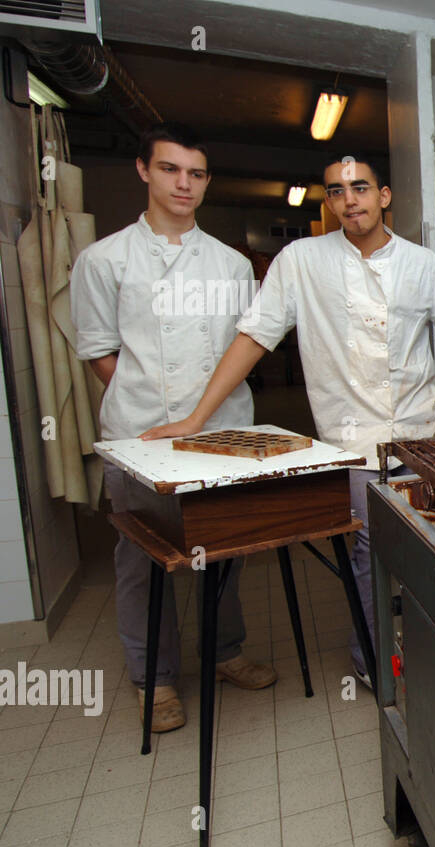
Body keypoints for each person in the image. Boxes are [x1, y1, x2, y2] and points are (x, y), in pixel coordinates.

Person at [142, 152, 435, 687]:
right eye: (336, 191)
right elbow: (255, 336)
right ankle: (374, 665)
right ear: (328, 201)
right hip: (352, 446)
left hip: (423, 439)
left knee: (433, 549)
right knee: (373, 552)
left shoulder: (424, 267)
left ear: (383, 196)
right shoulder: (301, 261)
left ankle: (428, 648)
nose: (349, 200)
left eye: (360, 188)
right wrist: (196, 417)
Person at [71, 122, 277, 732]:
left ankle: (223, 652)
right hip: (140, 437)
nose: (183, 184)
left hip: (223, 434)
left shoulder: (233, 263)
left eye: (195, 173)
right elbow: (100, 354)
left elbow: (246, 346)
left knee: (225, 552)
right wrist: (149, 408)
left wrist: (197, 415)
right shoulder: (103, 260)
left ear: (207, 181)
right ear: (144, 171)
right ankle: (153, 681)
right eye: (169, 169)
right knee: (142, 558)